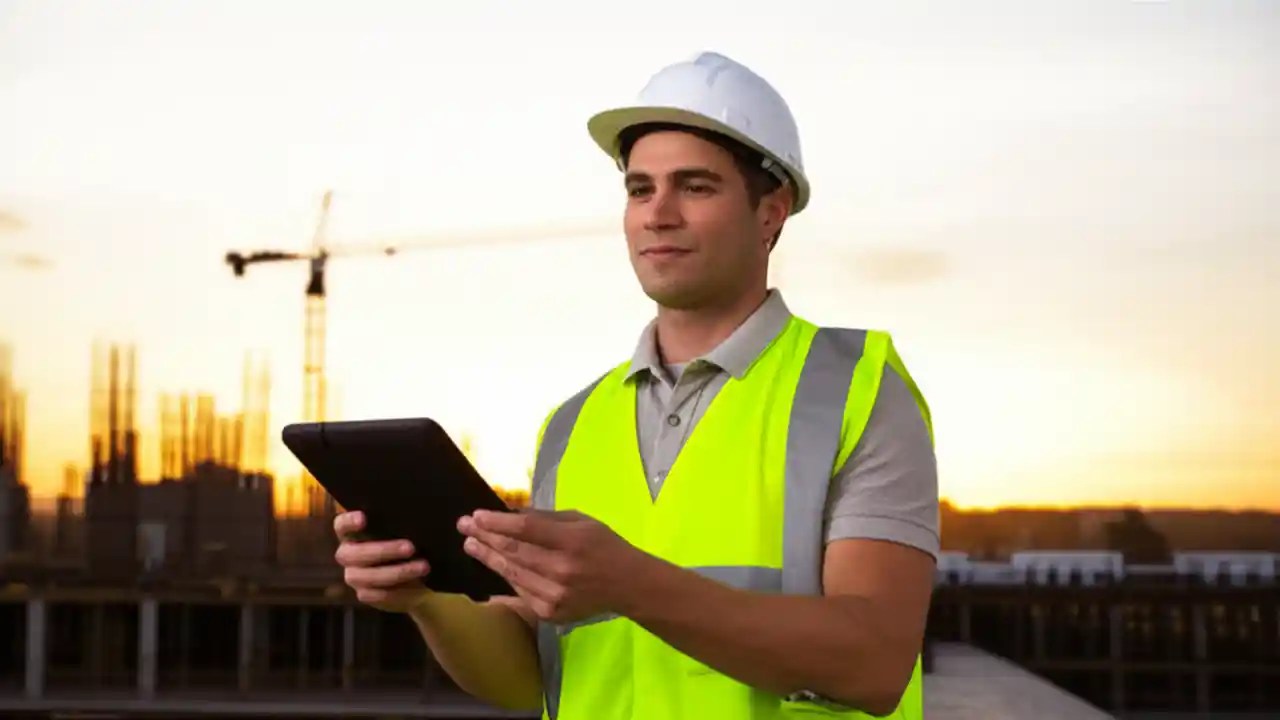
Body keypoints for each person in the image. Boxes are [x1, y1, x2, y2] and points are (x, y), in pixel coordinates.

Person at [333, 51, 939, 719]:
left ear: (772, 212)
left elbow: (877, 662)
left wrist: (630, 584)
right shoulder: (572, 425)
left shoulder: (855, 389)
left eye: (696, 187)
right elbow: (536, 680)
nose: (659, 214)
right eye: (640, 189)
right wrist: (427, 600)